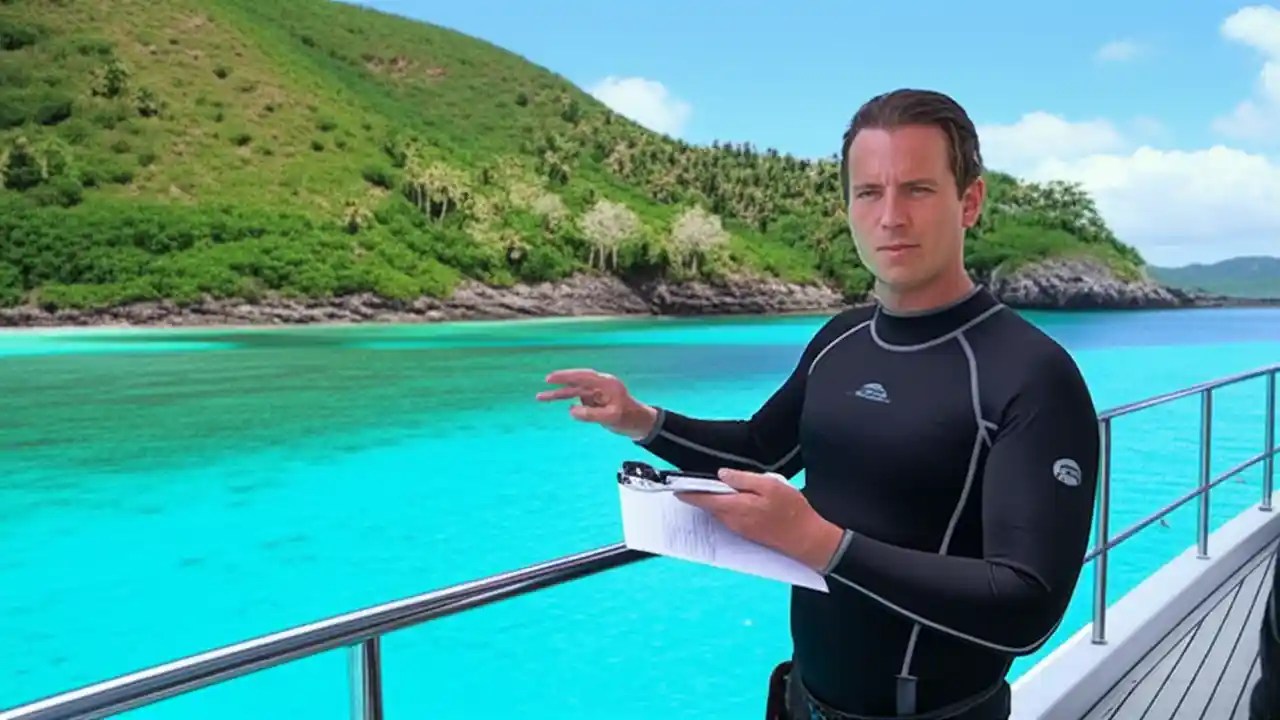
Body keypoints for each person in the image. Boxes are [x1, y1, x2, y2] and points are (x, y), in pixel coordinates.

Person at [536, 88, 1101, 720]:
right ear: (849, 206)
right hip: (804, 700)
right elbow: (761, 449)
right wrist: (641, 420)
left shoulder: (1031, 374)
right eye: (869, 192)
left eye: (917, 189)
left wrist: (821, 544)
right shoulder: (842, 339)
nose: (891, 216)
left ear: (969, 202)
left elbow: (1027, 607)